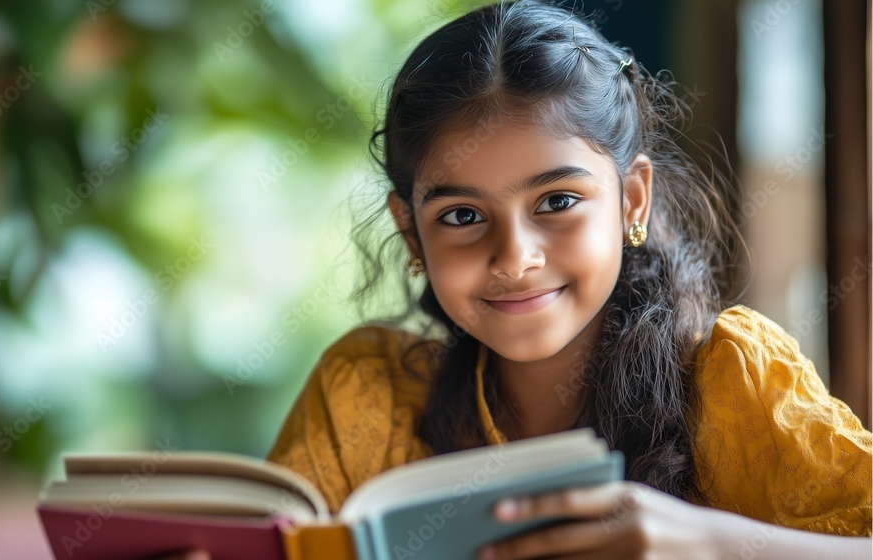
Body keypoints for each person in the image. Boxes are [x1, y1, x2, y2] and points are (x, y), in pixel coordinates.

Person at [160, 0, 872, 558]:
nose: (514, 256)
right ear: (411, 232)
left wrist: (714, 546)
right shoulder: (362, 395)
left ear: (631, 201)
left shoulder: (731, 377)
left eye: (557, 203)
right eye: (463, 215)